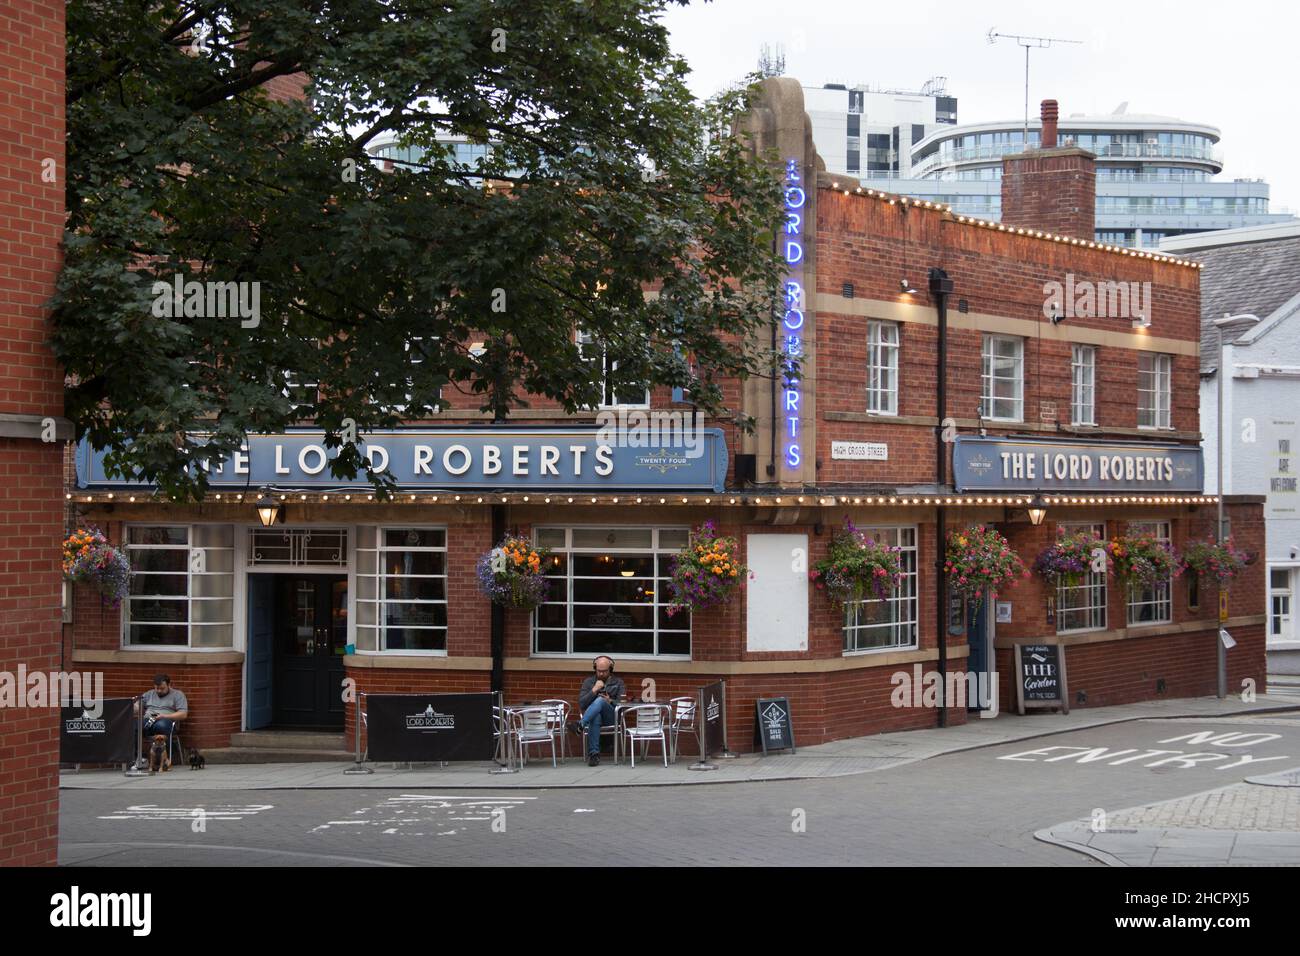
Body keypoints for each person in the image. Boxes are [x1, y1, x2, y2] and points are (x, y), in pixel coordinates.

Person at [578, 656, 624, 766]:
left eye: (604, 671)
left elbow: (623, 704)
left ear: (611, 670)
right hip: (594, 718)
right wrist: (594, 690)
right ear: (595, 669)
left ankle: (580, 724)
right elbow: (582, 704)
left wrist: (610, 701)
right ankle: (594, 755)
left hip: (612, 717)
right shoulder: (589, 682)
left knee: (600, 701)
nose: (601, 674)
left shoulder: (618, 682)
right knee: (596, 716)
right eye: (599, 671)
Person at [134, 674, 189, 762]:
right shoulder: (149, 694)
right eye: (156, 688)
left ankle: (163, 759)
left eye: (162, 688)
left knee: (161, 725)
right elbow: (137, 707)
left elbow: (183, 714)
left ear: (169, 685)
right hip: (149, 719)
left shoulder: (178, 695)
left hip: (166, 720)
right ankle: (138, 758)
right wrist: (135, 706)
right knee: (134, 726)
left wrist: (163, 716)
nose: (159, 690)